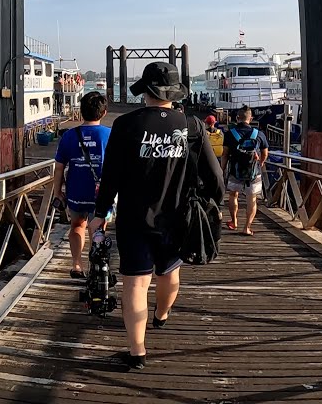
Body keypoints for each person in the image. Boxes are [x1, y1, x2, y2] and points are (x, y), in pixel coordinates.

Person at [90, 62, 223, 370]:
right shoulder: (192, 126)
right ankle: (161, 316)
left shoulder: (125, 125)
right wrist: (213, 205)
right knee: (170, 273)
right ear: (174, 92)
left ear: (146, 92)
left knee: (135, 284)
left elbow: (110, 176)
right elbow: (215, 176)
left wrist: (100, 212)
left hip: (134, 219)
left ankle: (137, 351)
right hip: (177, 217)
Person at [48, 91, 110, 277]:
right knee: (98, 228)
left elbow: (59, 168)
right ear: (104, 112)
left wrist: (57, 191)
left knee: (76, 225)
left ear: (81, 111)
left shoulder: (69, 135)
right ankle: (97, 265)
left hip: (76, 190)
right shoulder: (109, 135)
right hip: (101, 193)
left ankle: (76, 264)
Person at [222, 108, 269, 235]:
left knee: (233, 195)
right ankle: (247, 227)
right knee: (252, 199)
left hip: (234, 170)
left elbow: (225, 154)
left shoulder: (229, 134)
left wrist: (222, 169)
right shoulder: (259, 134)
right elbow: (265, 153)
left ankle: (234, 221)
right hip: (254, 171)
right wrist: (261, 163)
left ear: (237, 118)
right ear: (251, 118)